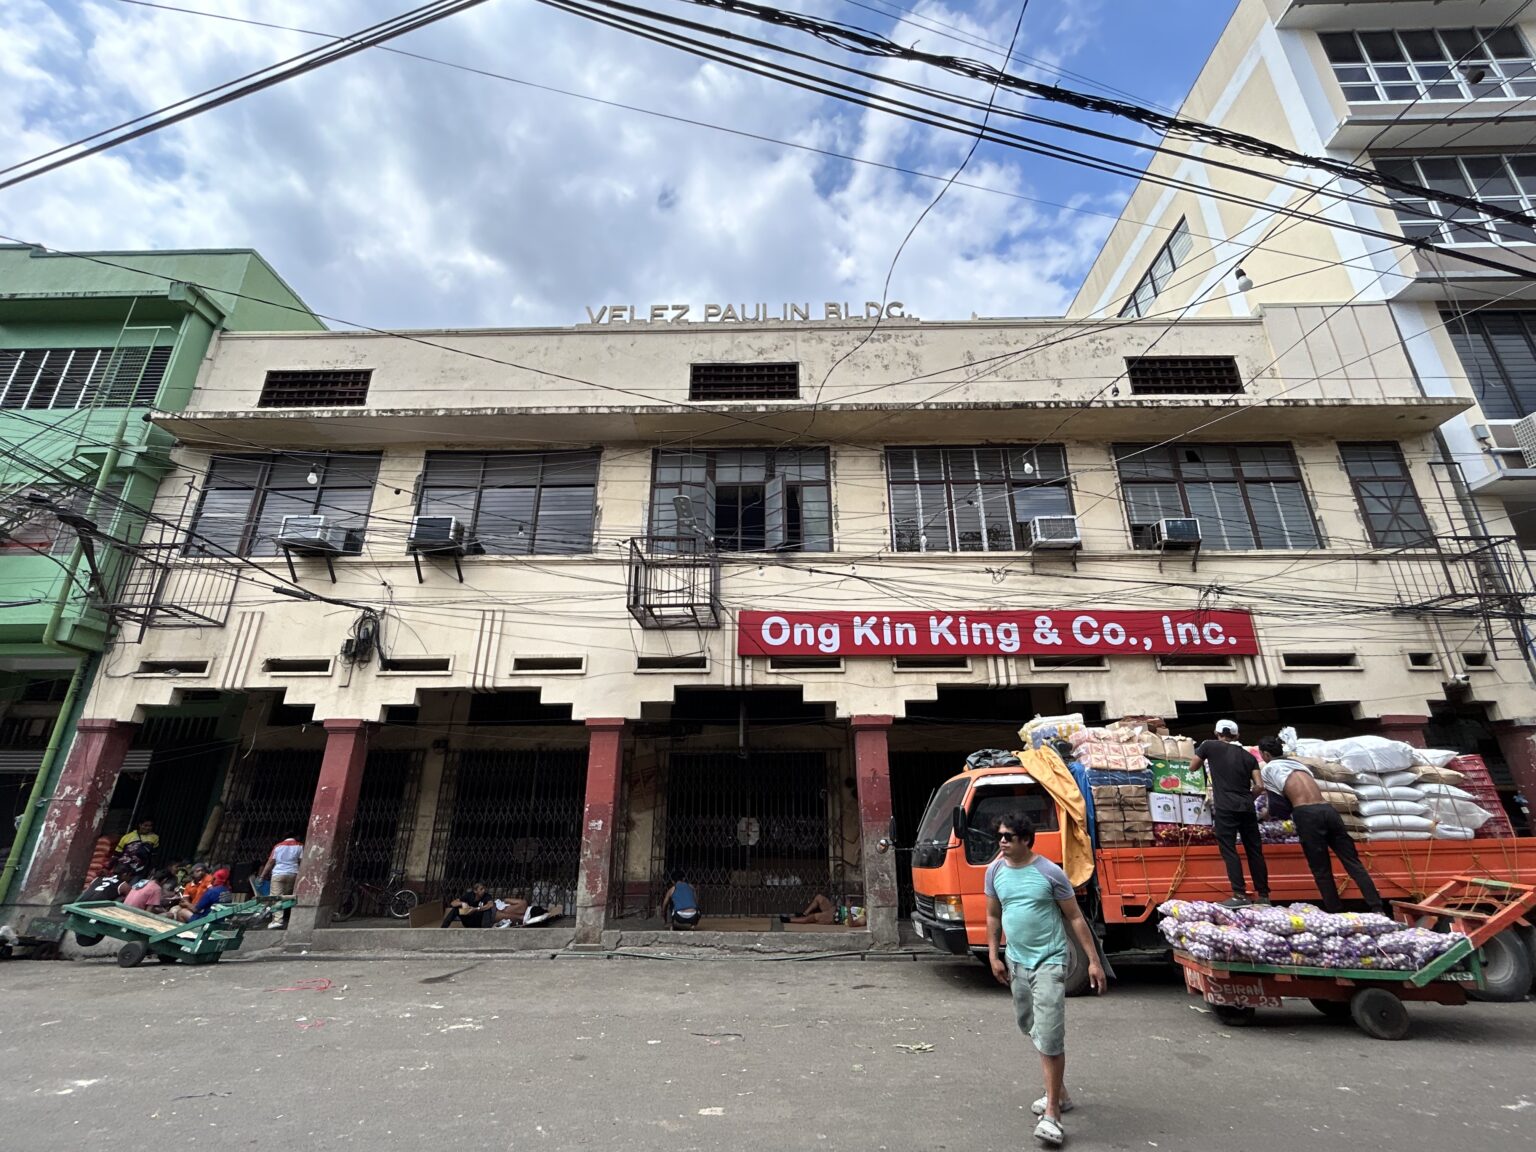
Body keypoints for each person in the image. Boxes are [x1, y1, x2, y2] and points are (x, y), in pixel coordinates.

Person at [985, 809, 1107, 1148]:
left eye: (1008, 836)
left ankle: (1052, 1113)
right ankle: (1062, 1093)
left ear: (1026, 839)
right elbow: (994, 914)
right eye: (1000, 836)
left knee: (1050, 1035)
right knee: (1031, 1027)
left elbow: (1076, 919)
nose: (1002, 842)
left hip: (1050, 963)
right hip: (1017, 963)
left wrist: (1094, 963)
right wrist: (994, 954)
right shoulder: (994, 871)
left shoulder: (1049, 872)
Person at [1257, 737, 1385, 914]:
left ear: (1265, 754)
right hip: (1328, 811)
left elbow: (1280, 807)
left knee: (1321, 869)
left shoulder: (1269, 769)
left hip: (1307, 815)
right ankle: (1377, 907)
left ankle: (1336, 912)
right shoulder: (1300, 766)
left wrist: (1265, 814)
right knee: (1353, 862)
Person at [1192, 719, 1270, 908]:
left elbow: (1192, 767)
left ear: (1216, 732)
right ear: (1237, 736)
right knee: (1254, 851)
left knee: (1229, 849)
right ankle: (1264, 895)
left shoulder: (1209, 746)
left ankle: (1239, 894)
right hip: (1247, 807)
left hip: (1226, 807)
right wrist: (1247, 798)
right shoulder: (1249, 757)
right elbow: (1260, 786)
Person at [258, 835, 303, 928]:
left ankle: (277, 920)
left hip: (278, 874)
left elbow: (270, 862)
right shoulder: (300, 846)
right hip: (293, 874)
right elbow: (302, 861)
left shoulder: (278, 846)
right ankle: (288, 917)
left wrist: (262, 876)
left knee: (276, 897)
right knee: (287, 896)